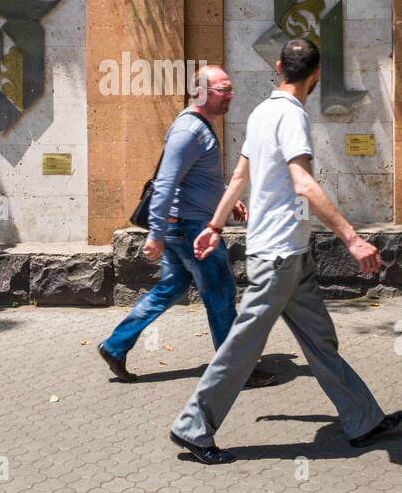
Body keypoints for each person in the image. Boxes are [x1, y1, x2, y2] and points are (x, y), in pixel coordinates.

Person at [168, 38, 402, 465]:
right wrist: (352, 238)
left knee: (320, 340)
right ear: (315, 75)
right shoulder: (292, 116)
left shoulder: (261, 112)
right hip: (278, 257)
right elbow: (303, 183)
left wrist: (214, 225)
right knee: (242, 347)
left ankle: (362, 418)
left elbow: (240, 176)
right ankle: (193, 426)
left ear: (279, 66)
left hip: (292, 255)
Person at [98, 64, 275, 388]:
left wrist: (224, 198)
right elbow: (166, 184)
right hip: (190, 229)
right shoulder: (188, 131)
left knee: (171, 288)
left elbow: (196, 179)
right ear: (202, 92)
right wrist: (155, 234)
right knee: (221, 294)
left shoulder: (200, 128)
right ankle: (235, 370)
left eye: (230, 89)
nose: (229, 96)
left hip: (185, 225)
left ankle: (115, 345)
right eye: (223, 90)